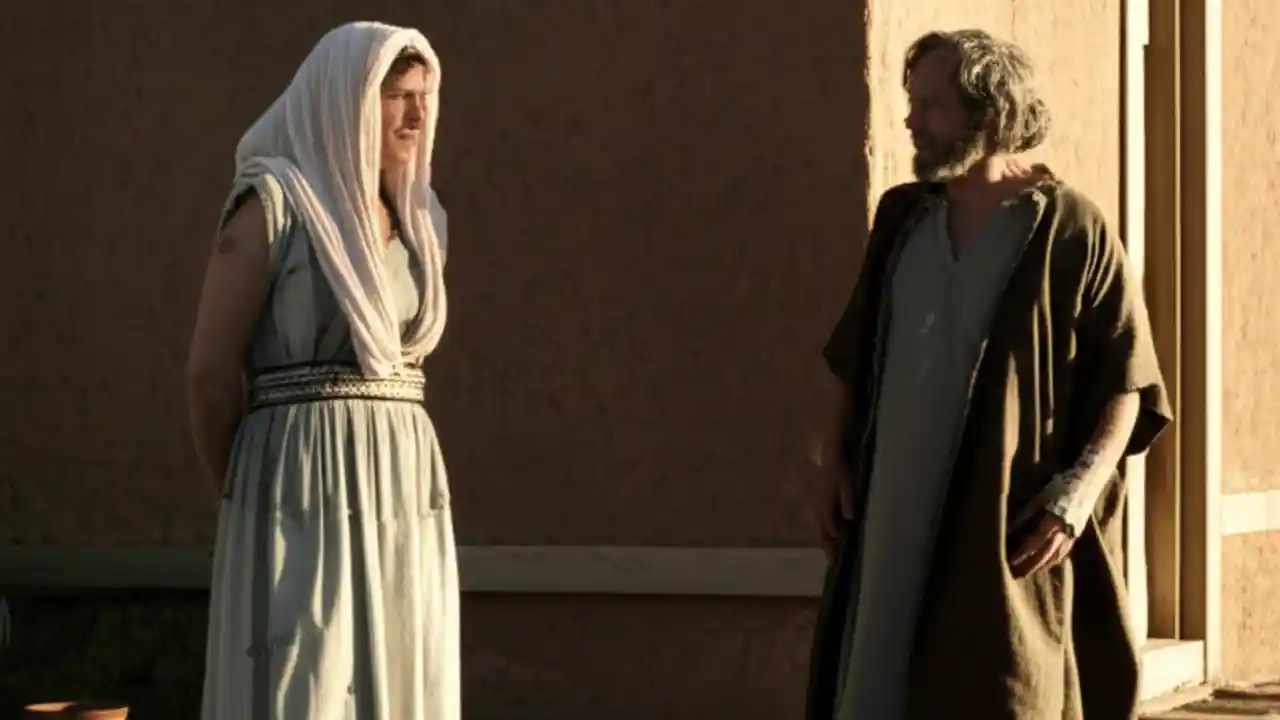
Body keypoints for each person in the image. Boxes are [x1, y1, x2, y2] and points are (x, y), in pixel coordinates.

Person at [807, 29, 1172, 719]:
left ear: (987, 114)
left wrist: (1076, 495)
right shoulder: (903, 218)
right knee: (874, 688)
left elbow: (1127, 382)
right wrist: (832, 466)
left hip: (999, 519)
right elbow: (851, 355)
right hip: (889, 516)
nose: (911, 120)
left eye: (931, 105)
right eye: (911, 103)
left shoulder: (1070, 229)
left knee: (1002, 687)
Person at [185, 21, 458, 719]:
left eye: (424, 94)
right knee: (307, 673)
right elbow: (210, 373)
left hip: (400, 480)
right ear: (345, 101)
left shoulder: (423, 218)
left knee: (402, 663)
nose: (417, 114)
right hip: (301, 477)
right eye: (396, 95)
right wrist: (250, 493)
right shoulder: (275, 204)